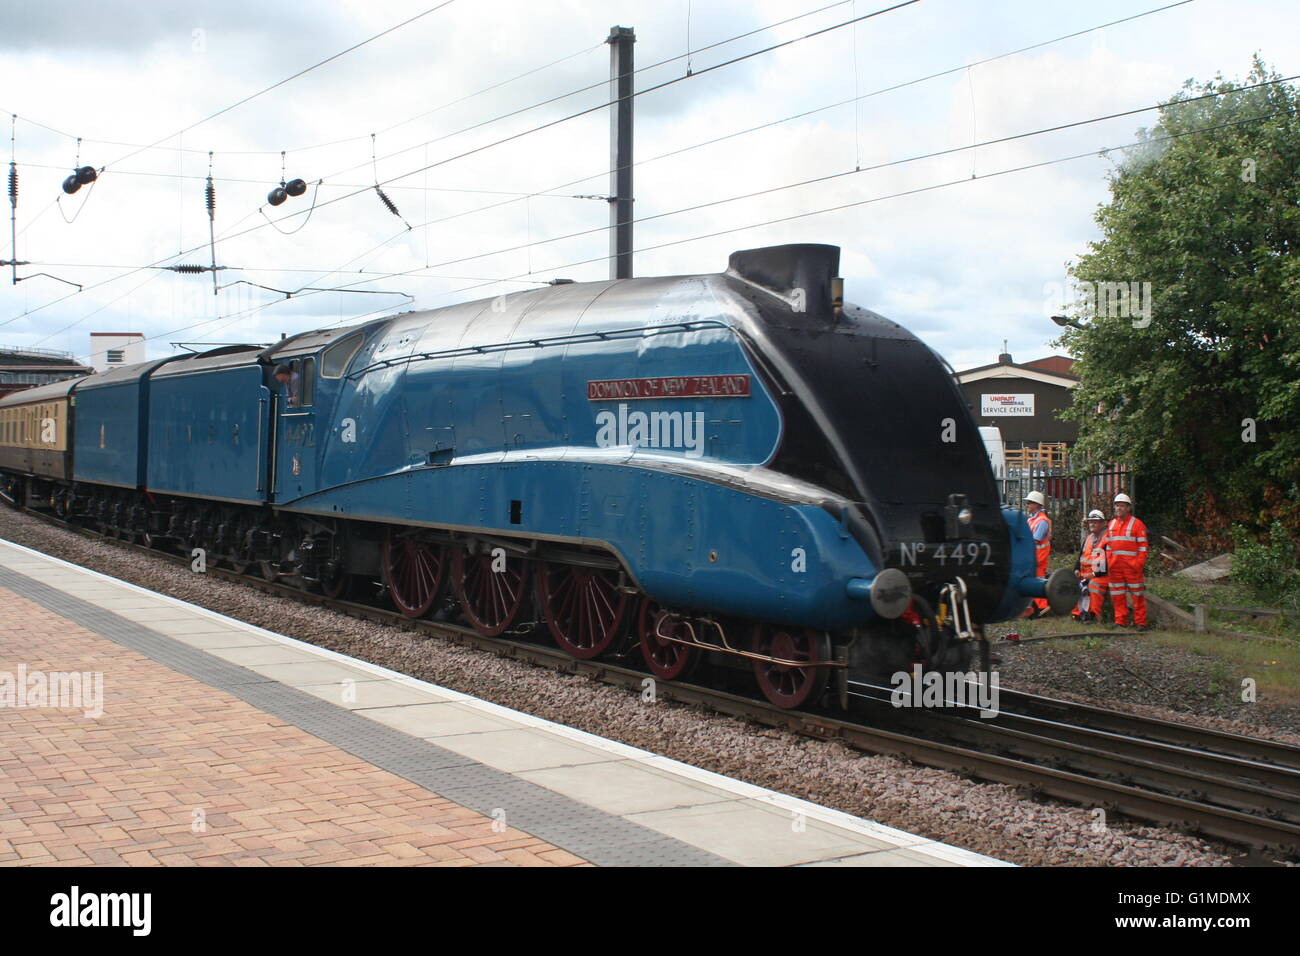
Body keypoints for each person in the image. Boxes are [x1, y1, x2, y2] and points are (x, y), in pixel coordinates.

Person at [1106, 493, 1149, 630]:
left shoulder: (1137, 524)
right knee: (1117, 596)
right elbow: (1108, 546)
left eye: (1122, 505)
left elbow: (1143, 547)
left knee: (1137, 595)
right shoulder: (1111, 524)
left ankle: (1140, 623)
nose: (1119, 508)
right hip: (1115, 567)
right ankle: (1120, 621)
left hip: (1132, 567)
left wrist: (1138, 564)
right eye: (1117, 505)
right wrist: (1109, 562)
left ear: (1128, 508)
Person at [1072, 509, 1109, 623]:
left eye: (1095, 522)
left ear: (1103, 523)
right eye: (1090, 522)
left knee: (1094, 585)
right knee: (1074, 583)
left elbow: (1107, 564)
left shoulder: (1106, 540)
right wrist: (1077, 570)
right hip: (1086, 573)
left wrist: (1092, 575)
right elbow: (1080, 558)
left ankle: (1093, 614)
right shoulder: (1088, 539)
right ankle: (1078, 614)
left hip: (1102, 575)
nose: (1092, 524)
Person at [1023, 490, 1051, 617]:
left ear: (1037, 505)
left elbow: (1035, 540)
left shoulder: (1042, 521)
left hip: (1038, 559)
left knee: (1038, 584)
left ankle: (1042, 609)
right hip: (1032, 557)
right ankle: (1034, 609)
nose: (1027, 505)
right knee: (1032, 583)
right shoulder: (1031, 520)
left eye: (1029, 503)